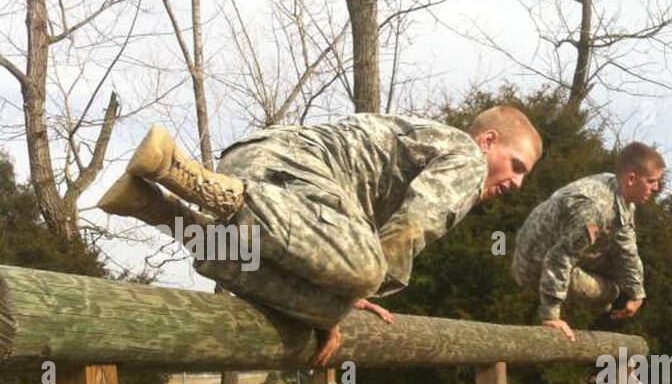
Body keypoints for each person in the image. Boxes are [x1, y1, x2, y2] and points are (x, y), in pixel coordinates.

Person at [98, 106, 543, 364]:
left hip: (266, 170)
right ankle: (205, 187)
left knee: (325, 308)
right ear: (487, 140)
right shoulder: (467, 157)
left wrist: (334, 301)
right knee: (369, 270)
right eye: (517, 166)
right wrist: (359, 282)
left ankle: (157, 209)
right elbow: (410, 229)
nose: (516, 184)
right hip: (287, 169)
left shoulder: (423, 146)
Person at [510, 141, 664, 341]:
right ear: (632, 179)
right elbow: (558, 257)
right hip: (532, 263)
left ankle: (611, 304)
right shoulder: (594, 210)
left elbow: (626, 248)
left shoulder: (619, 193)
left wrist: (637, 293)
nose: (656, 188)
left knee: (619, 269)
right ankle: (601, 310)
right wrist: (550, 315)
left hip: (554, 247)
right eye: (651, 181)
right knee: (611, 292)